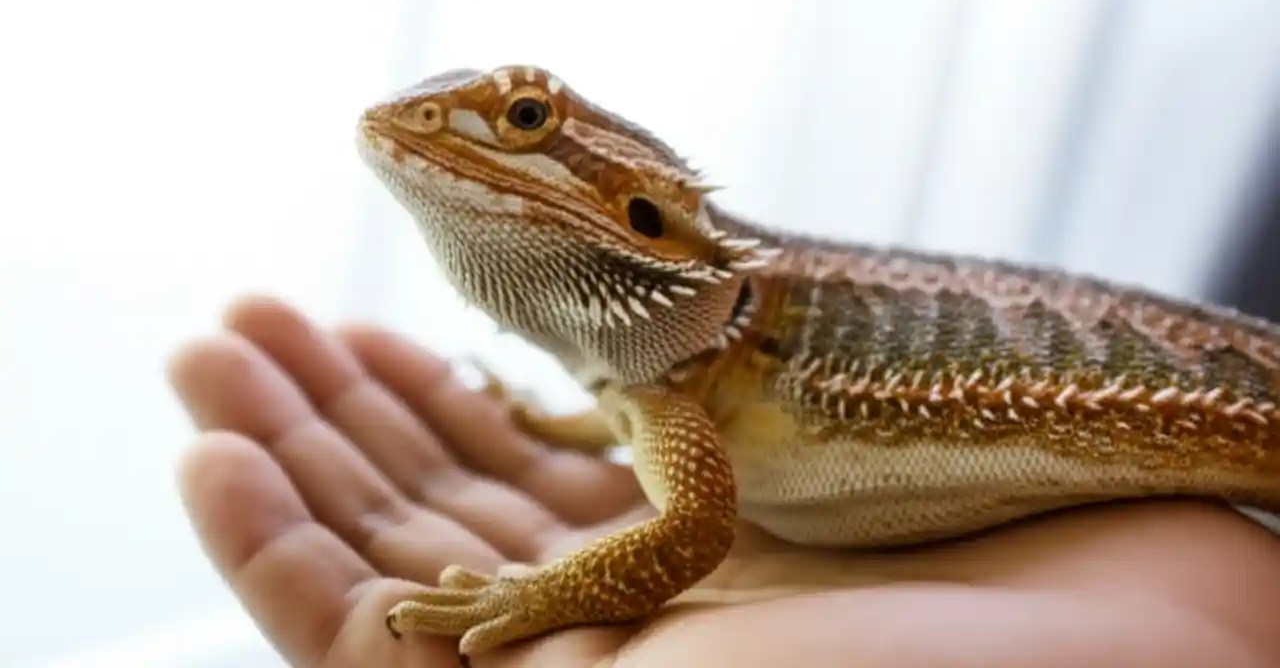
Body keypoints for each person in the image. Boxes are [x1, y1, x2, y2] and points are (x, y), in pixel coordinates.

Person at [169, 296, 1280, 667]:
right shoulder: (654, 384)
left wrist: (525, 599)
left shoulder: (684, 375)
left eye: (522, 126)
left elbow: (690, 530)